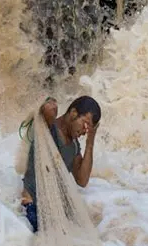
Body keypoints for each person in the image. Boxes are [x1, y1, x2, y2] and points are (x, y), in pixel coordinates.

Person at [19, 95, 102, 232]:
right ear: (73, 113)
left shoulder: (74, 145)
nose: (84, 131)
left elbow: (82, 180)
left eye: (89, 128)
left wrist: (90, 141)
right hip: (31, 208)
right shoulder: (48, 130)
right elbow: (48, 109)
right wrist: (52, 103)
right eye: (84, 123)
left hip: (52, 210)